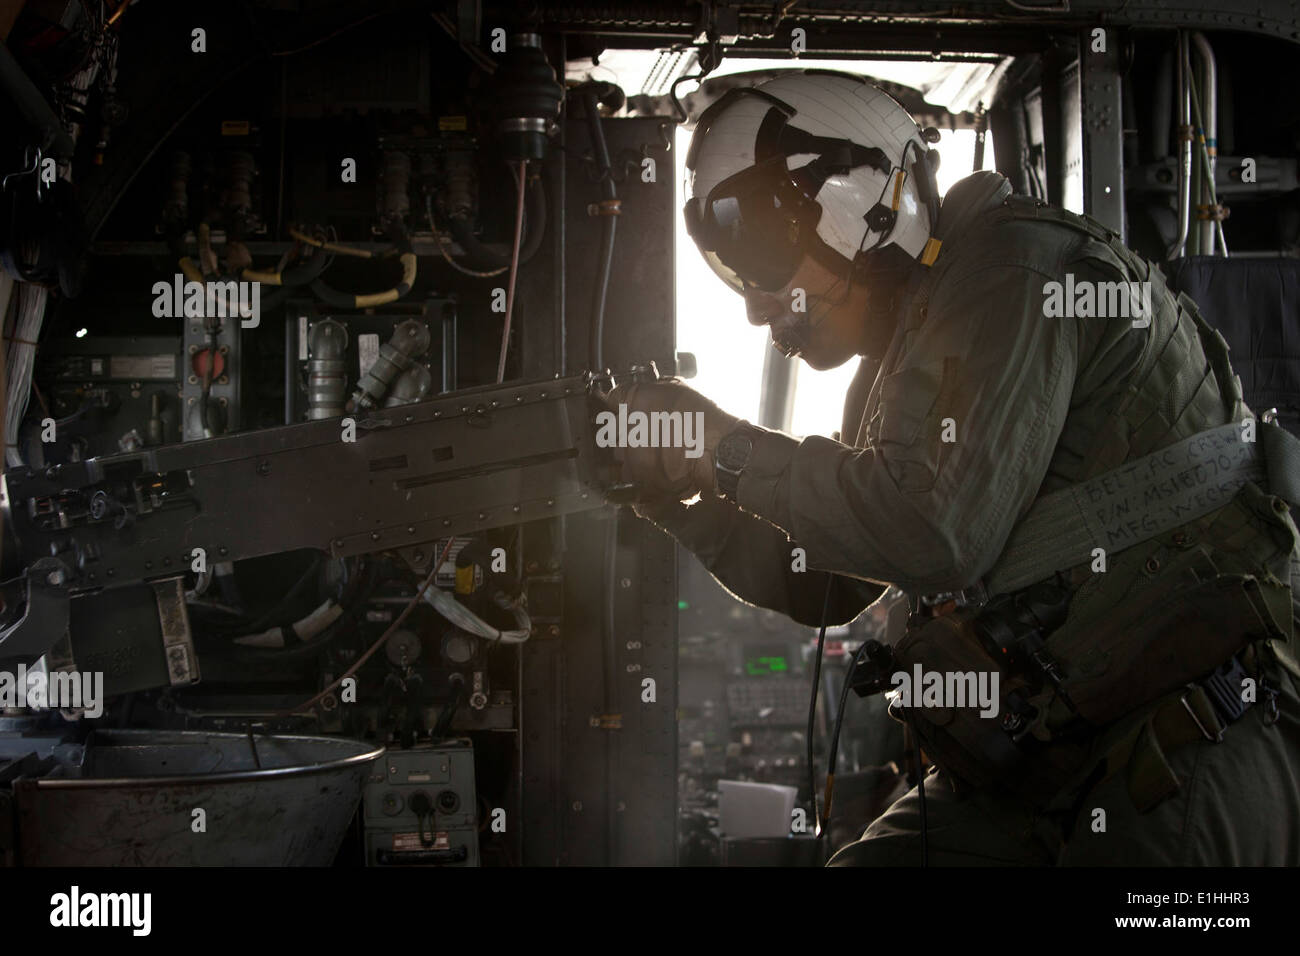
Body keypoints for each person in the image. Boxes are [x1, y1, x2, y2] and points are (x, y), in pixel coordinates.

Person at [608, 72, 1300, 865]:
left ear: (861, 202)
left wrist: (723, 445)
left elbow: (929, 536)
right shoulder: (906, 349)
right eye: (739, 274)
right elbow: (829, 581)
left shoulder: (1010, 269)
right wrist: (679, 495)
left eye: (764, 259)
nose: (758, 309)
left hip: (1198, 723)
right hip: (1064, 742)